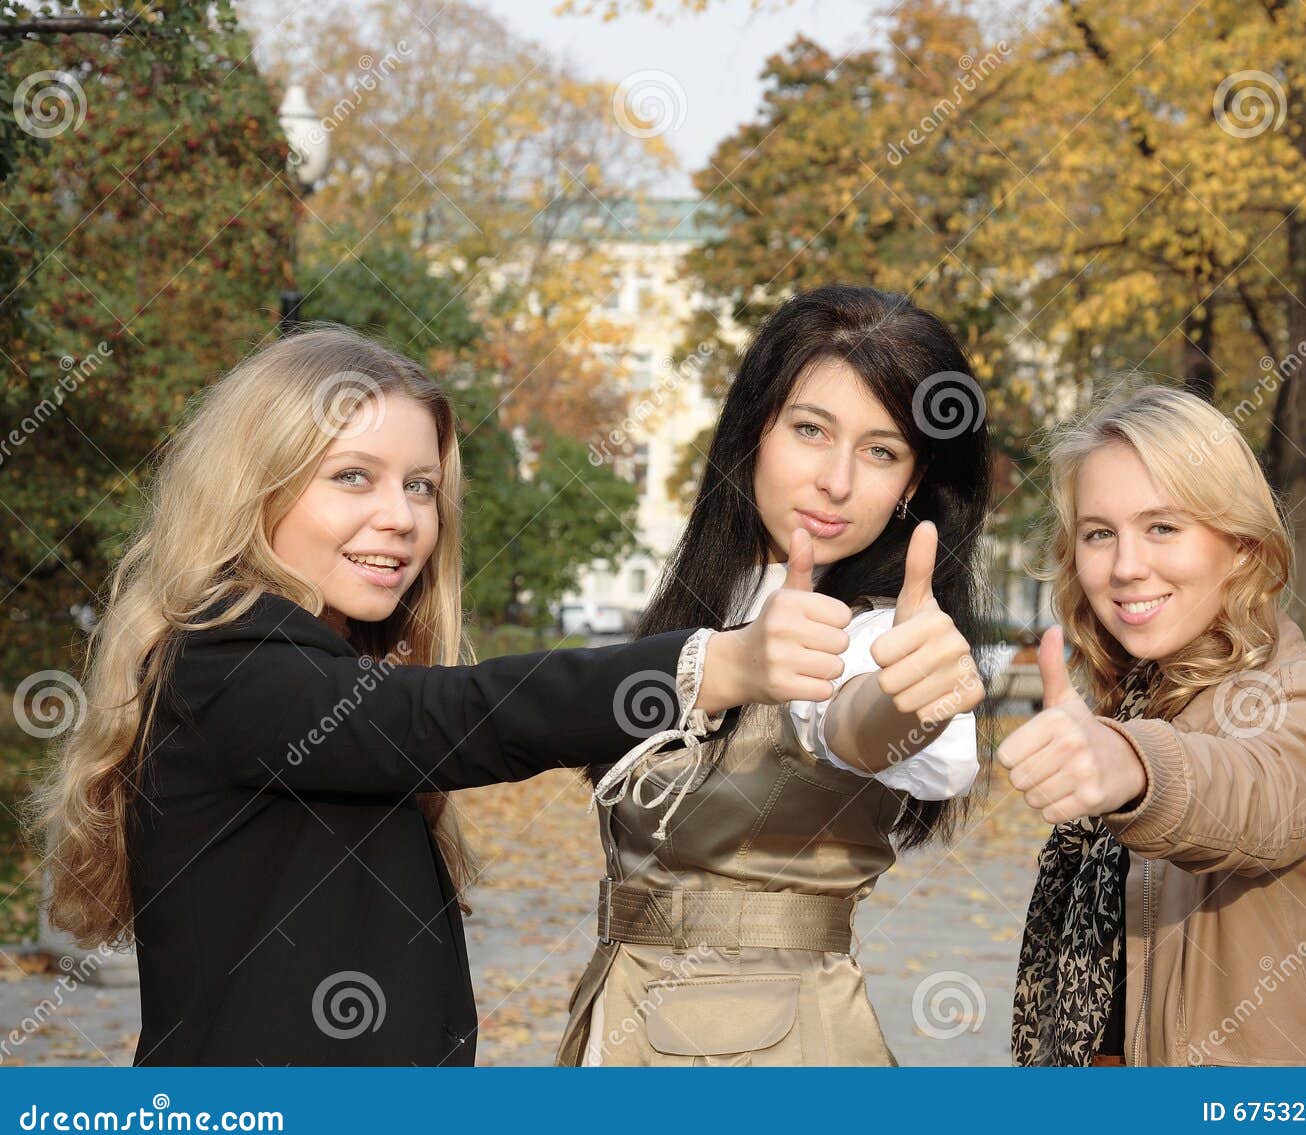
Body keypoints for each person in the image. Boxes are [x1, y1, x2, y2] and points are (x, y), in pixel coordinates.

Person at [28, 326, 828, 1065]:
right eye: (353, 477)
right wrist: (710, 667)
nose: (403, 517)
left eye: (420, 486)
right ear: (251, 488)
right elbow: (460, 714)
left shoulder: (321, 663)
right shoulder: (227, 656)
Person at [555, 285, 993, 1066]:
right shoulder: (702, 608)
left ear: (913, 484)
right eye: (810, 430)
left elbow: (858, 721)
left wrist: (905, 700)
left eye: (881, 450)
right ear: (754, 431)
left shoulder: (873, 633)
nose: (836, 480)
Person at [1004, 384, 1306, 1066]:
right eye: (1100, 533)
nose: (1125, 566)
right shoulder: (1133, 701)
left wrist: (1130, 768)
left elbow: (1258, 799)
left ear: (1239, 544)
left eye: (1162, 527)